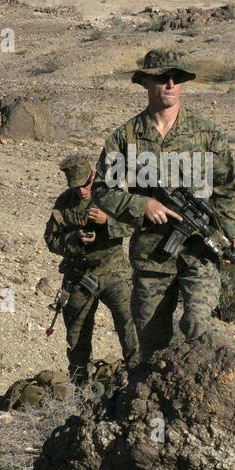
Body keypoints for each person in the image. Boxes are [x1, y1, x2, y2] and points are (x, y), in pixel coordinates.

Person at [92, 49, 235, 360]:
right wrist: (141, 205)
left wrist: (231, 233)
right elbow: (103, 189)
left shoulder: (208, 135)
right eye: (162, 78)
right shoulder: (126, 138)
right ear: (146, 82)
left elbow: (226, 188)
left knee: (198, 327)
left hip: (200, 251)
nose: (170, 84)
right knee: (150, 344)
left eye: (177, 78)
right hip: (152, 257)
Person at [44, 154, 138, 384]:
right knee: (76, 337)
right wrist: (74, 239)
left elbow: (134, 225)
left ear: (93, 176)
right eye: (76, 187)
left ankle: (139, 378)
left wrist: (108, 221)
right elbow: (51, 239)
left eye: (85, 185)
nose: (82, 192)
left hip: (114, 273)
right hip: (79, 277)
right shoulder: (64, 203)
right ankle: (81, 392)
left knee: (130, 325)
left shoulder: (112, 195)